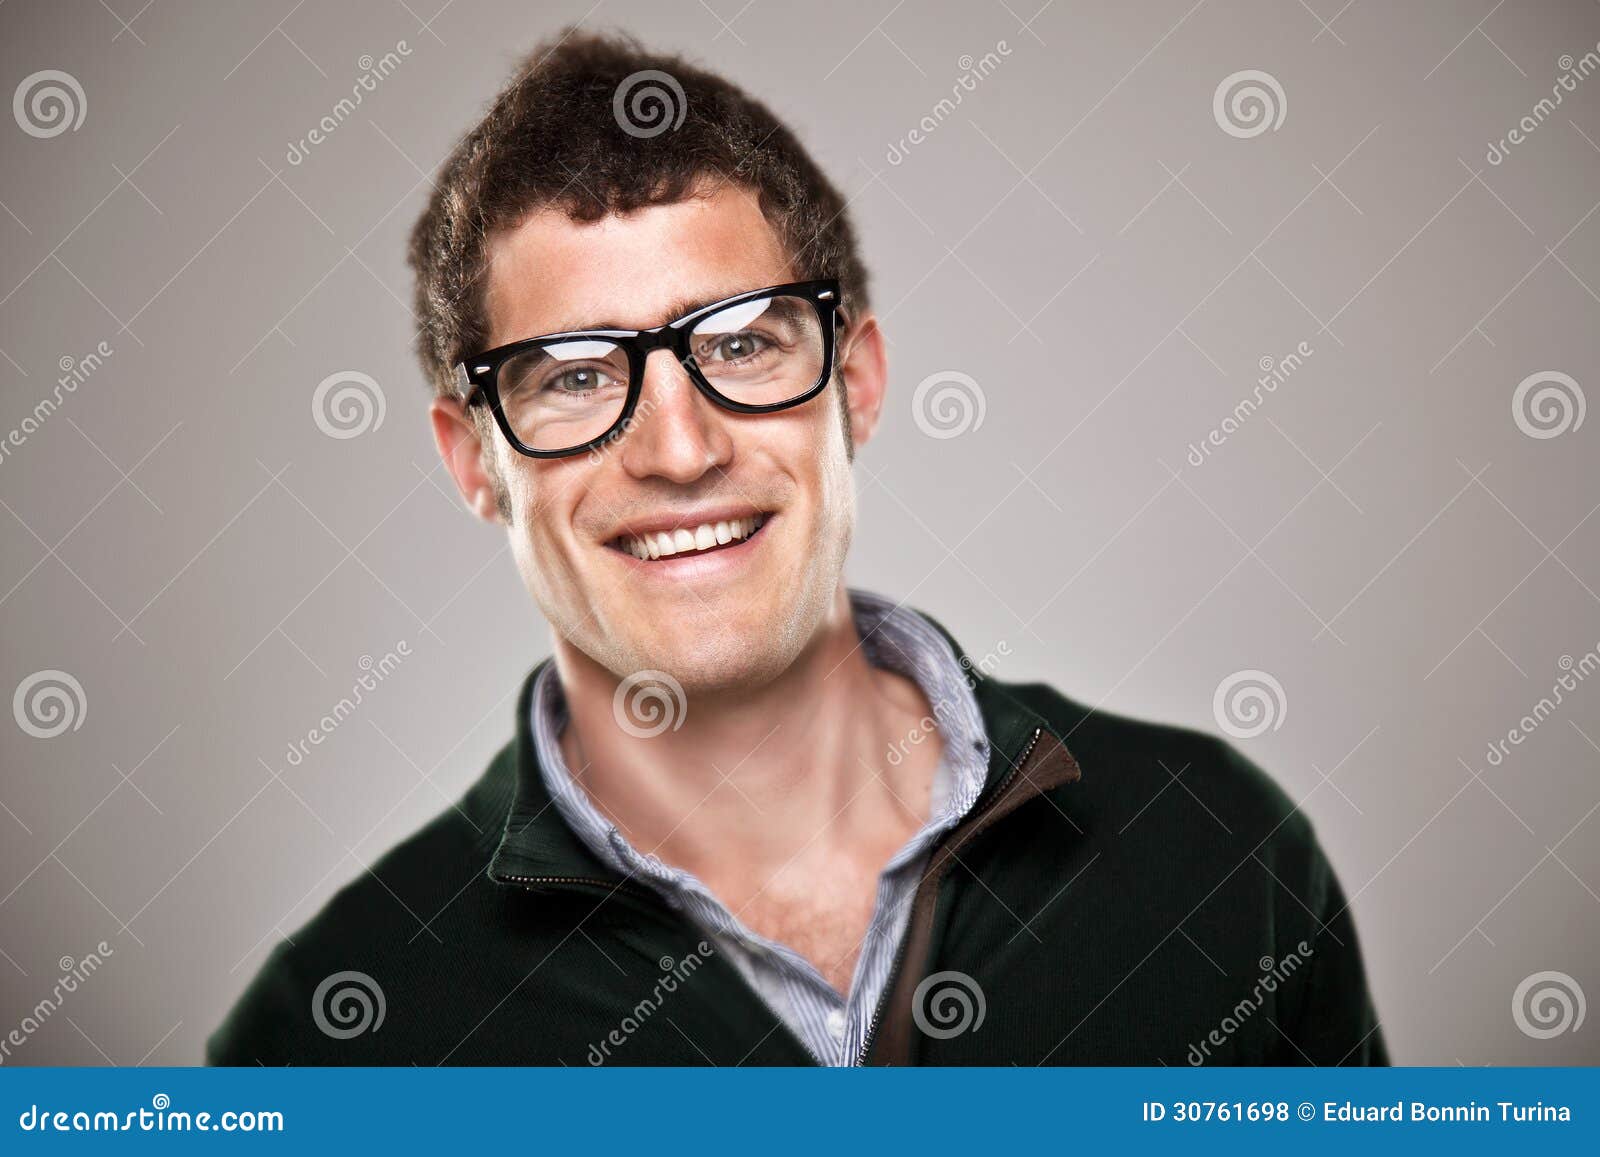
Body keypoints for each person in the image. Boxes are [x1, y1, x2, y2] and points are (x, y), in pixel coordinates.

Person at [208, 30, 1385, 1067]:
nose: (678, 449)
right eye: (571, 376)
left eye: (743, 346)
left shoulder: (1217, 851)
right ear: (474, 462)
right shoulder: (327, 1039)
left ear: (856, 383)